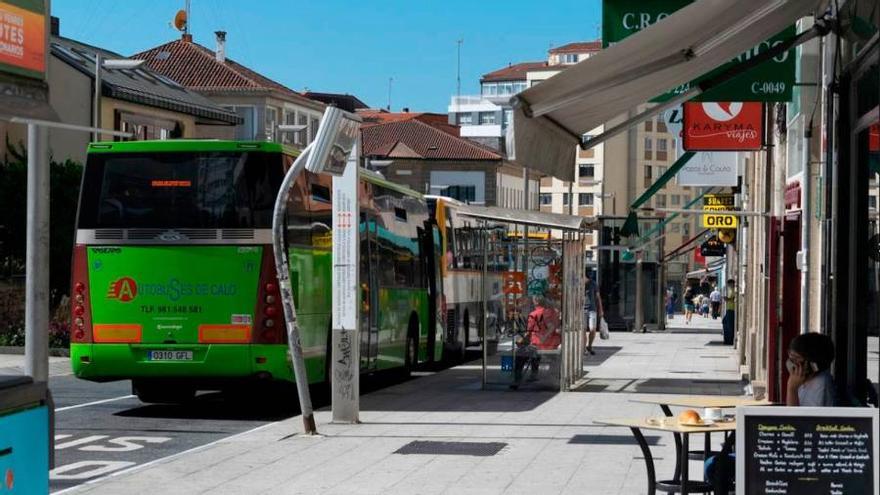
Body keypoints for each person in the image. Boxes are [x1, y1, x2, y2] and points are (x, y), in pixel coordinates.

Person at [786, 332, 836, 406]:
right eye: (790, 356)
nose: (791, 362)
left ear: (812, 365)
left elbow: (796, 416)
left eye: (796, 358)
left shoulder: (821, 384)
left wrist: (792, 389)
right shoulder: (803, 380)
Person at [584, 274, 603, 355]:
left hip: (592, 309)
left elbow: (598, 298)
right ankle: (584, 348)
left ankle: (590, 345)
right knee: (583, 330)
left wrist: (601, 309)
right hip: (582, 310)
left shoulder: (593, 284)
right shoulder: (578, 284)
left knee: (593, 329)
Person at [721, 279, 736, 344]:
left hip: (732, 309)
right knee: (724, 322)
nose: (728, 286)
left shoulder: (734, 290)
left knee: (730, 325)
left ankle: (729, 340)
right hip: (729, 309)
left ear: (732, 283)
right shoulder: (730, 290)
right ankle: (727, 339)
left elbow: (734, 298)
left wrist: (727, 299)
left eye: (729, 284)